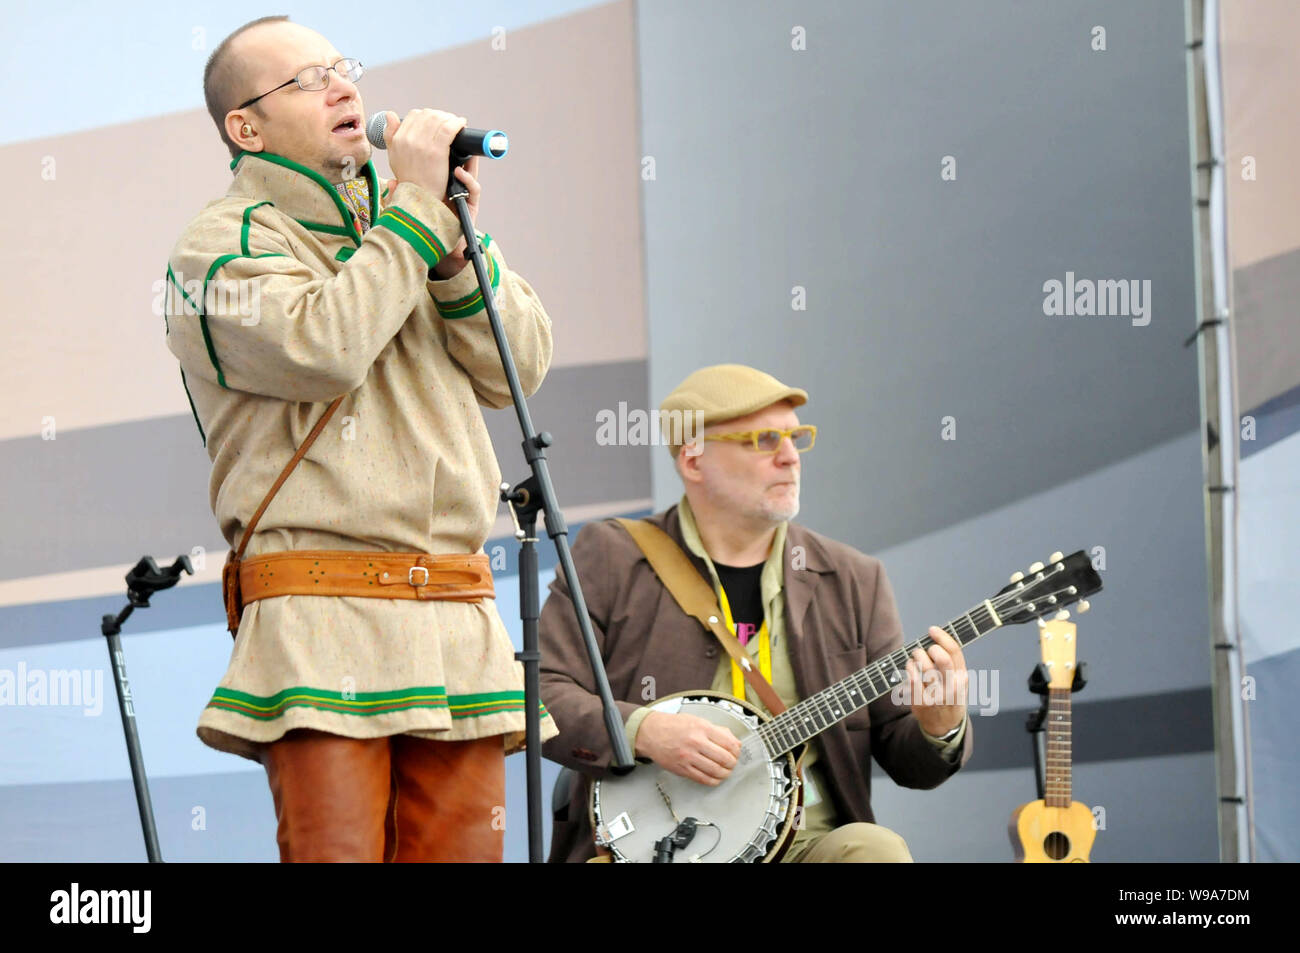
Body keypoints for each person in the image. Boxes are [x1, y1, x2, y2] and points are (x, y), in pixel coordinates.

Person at [163, 15, 555, 862]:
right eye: (306, 79)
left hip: (455, 610)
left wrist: (453, 257)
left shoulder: (415, 227)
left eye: (343, 67)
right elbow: (323, 347)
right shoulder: (218, 246)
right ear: (246, 127)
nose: (344, 87)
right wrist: (416, 213)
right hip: (322, 612)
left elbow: (520, 370)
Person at [539, 364, 972, 862]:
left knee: (875, 850)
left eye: (796, 438)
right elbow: (541, 694)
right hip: (656, 848)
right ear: (693, 459)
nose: (790, 458)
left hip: (805, 842)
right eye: (764, 440)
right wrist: (643, 731)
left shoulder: (854, 578)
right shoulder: (612, 556)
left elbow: (910, 762)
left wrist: (940, 726)